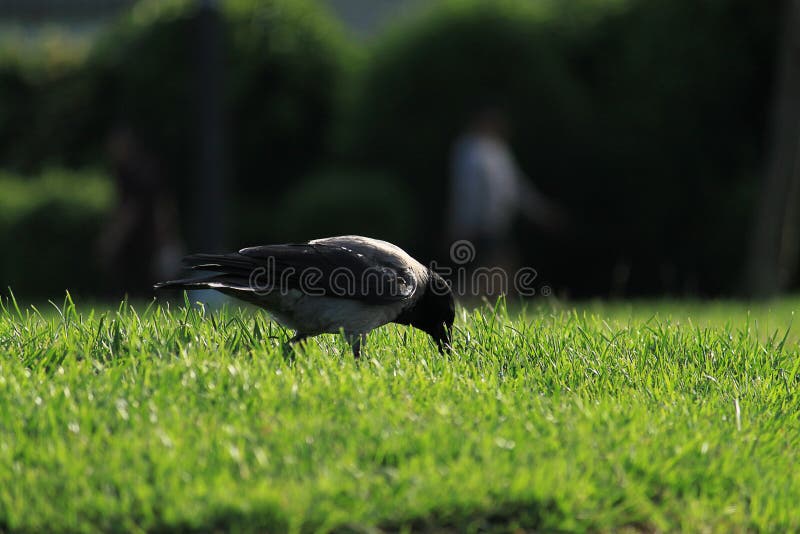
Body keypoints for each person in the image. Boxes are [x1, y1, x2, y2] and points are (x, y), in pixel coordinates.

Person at [448, 106, 565, 295]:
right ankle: (447, 303)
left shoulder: (499, 150)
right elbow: (467, 192)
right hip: (483, 226)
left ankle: (453, 303)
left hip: (499, 224)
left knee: (498, 274)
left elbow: (517, 188)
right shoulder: (469, 150)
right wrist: (462, 225)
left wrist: (543, 213)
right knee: (496, 273)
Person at [96, 124, 184, 297]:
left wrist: (111, 238)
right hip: (148, 240)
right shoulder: (146, 167)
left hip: (137, 243)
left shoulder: (131, 171)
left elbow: (131, 210)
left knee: (134, 292)